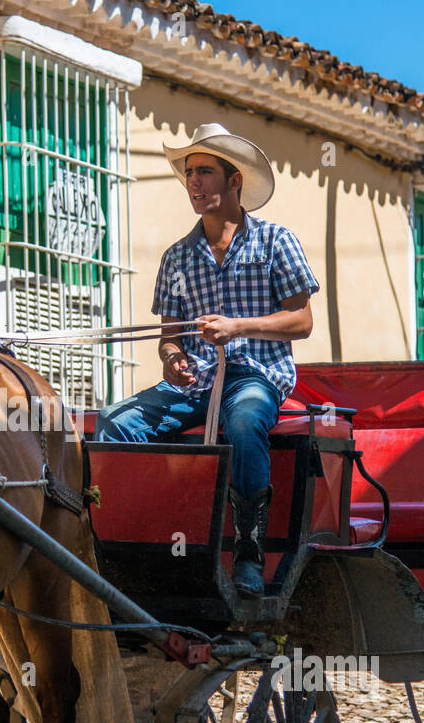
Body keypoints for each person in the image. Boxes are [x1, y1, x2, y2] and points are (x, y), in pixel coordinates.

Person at [94, 122, 319, 596]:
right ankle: (144, 547)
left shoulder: (276, 241)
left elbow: (302, 321)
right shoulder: (177, 258)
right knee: (114, 424)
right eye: (189, 173)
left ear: (234, 180)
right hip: (194, 385)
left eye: (204, 172)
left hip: (255, 376)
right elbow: (169, 340)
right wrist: (173, 360)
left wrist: (238, 327)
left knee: (243, 421)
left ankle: (249, 552)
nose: (193, 182)